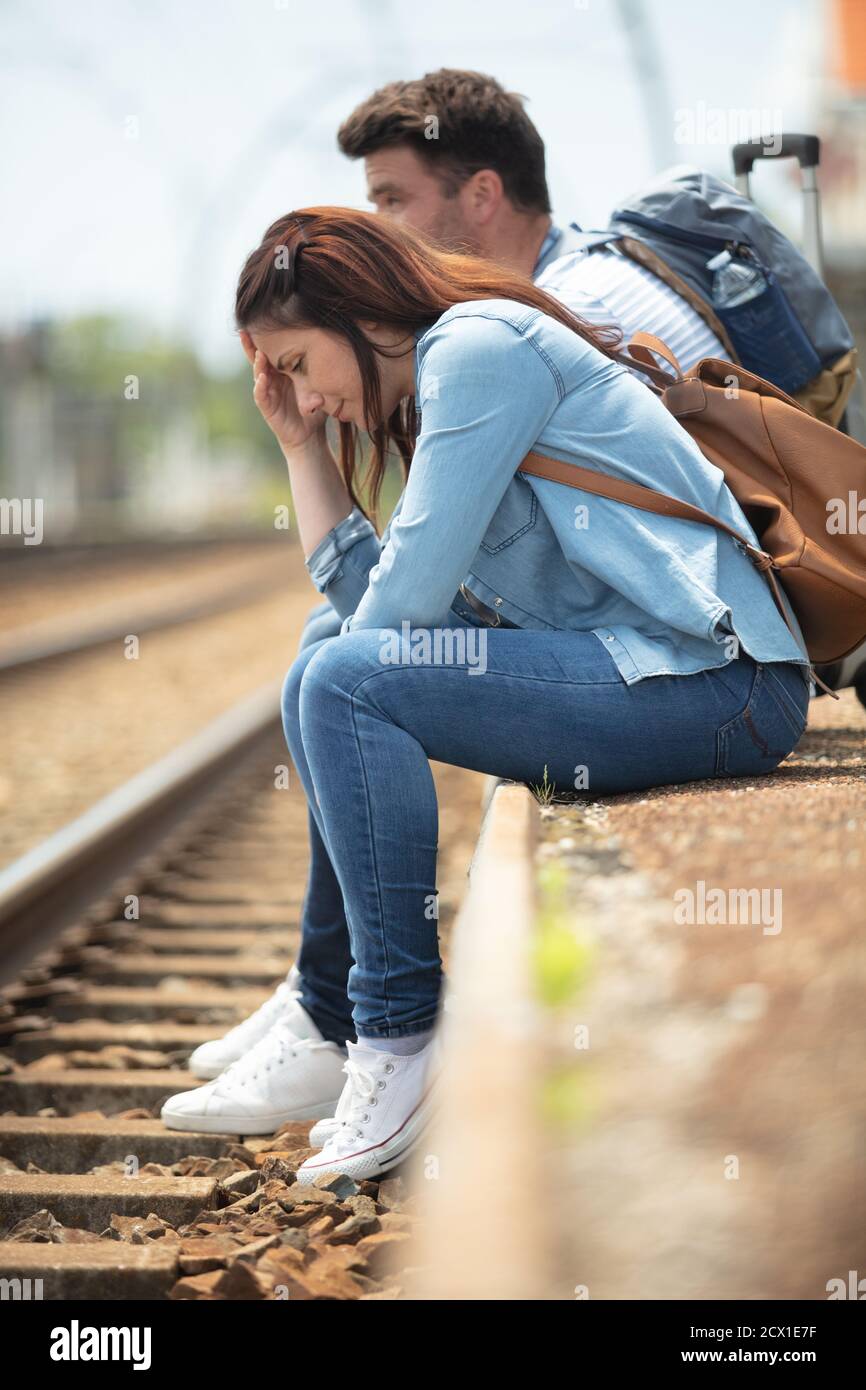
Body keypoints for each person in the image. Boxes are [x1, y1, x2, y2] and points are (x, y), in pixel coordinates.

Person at [162, 208, 812, 1181]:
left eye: (298, 364)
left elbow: (397, 615)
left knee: (341, 677)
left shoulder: (475, 352)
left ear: (353, 315)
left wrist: (325, 495)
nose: (303, 392)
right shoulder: (444, 370)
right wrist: (299, 446)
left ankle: (394, 1031)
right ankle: (327, 1012)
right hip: (632, 662)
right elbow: (366, 607)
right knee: (319, 653)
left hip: (719, 681)